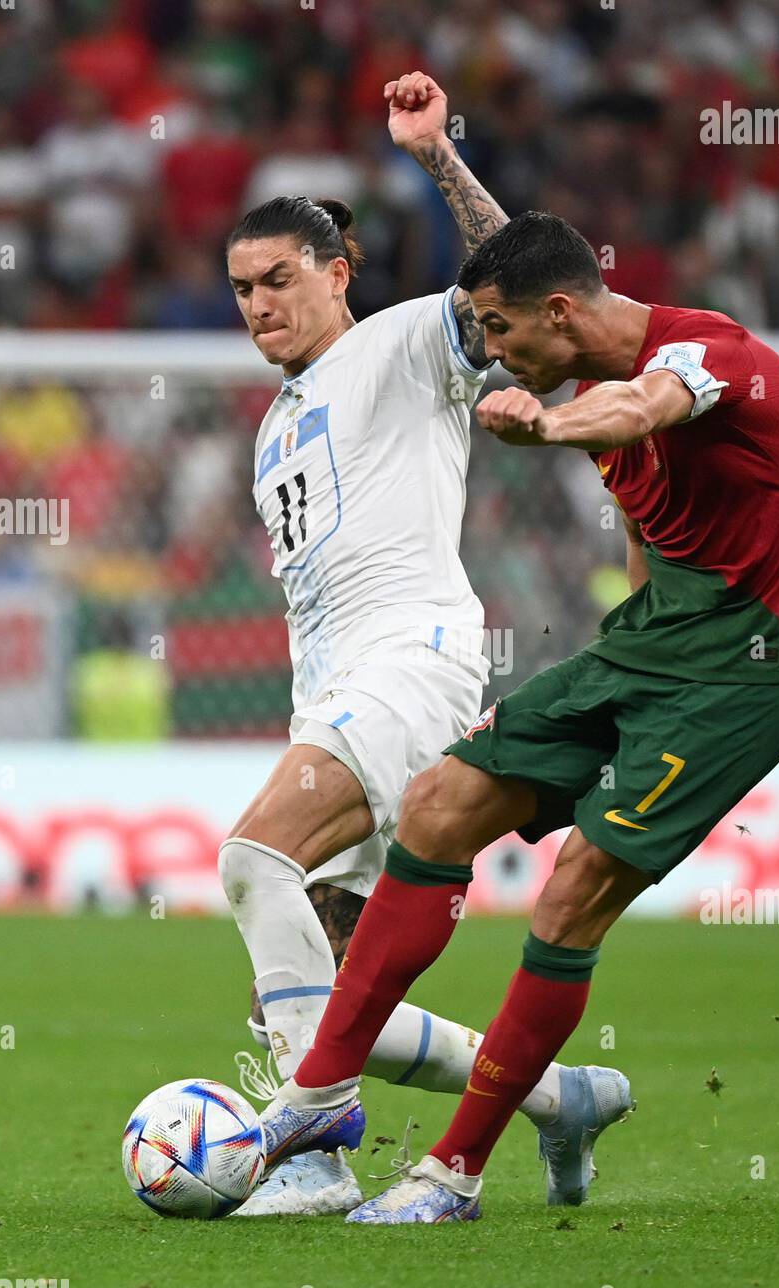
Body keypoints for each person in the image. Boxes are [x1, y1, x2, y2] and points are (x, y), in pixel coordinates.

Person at [256, 210, 779, 1224]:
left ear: (557, 315)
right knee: (438, 803)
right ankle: (312, 1105)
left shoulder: (710, 356)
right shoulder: (556, 338)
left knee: (568, 896)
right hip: (644, 643)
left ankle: (451, 1173)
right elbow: (514, 256)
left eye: (498, 332)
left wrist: (547, 427)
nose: (488, 352)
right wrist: (436, 152)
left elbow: (643, 406)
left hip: (745, 670)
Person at [221, 82, 633, 1217]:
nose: (259, 305)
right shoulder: (272, 427)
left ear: (336, 274)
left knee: (250, 860)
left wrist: (434, 153)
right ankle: (558, 1097)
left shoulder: (407, 343)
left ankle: (308, 1152)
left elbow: (517, 276)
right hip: (335, 689)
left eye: (280, 281)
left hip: (411, 660)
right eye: (243, 290)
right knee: (322, 993)